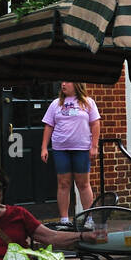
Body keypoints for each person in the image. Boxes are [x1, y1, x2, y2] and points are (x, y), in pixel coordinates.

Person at [40, 81, 100, 225]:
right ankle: (64, 219)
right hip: (61, 149)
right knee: (63, 183)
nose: (63, 84)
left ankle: (88, 218)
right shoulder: (56, 104)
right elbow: (49, 125)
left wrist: (94, 146)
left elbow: (95, 124)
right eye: (62, 82)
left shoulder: (88, 102)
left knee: (83, 184)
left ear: (77, 85)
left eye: (67, 82)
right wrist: (44, 147)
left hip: (81, 148)